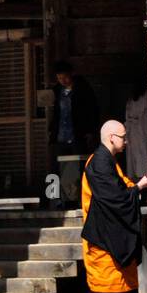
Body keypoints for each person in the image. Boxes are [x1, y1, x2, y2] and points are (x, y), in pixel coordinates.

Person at [81, 120, 147, 293]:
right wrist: (138, 188)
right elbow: (115, 199)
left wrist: (134, 188)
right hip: (104, 240)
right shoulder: (99, 163)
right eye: (123, 136)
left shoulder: (109, 161)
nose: (126, 141)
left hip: (113, 239)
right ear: (112, 137)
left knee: (123, 292)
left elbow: (120, 189)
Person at [48, 60, 100, 208]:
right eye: (59, 78)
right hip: (60, 134)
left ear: (71, 74)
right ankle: (54, 200)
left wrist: (90, 130)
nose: (62, 81)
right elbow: (56, 113)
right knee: (55, 167)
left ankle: (82, 199)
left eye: (64, 77)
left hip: (78, 133)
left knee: (81, 166)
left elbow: (92, 110)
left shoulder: (83, 88)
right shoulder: (57, 90)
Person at [124, 78, 147, 183]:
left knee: (137, 160)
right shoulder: (144, 97)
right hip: (138, 131)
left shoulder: (133, 99)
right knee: (140, 160)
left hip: (137, 131)